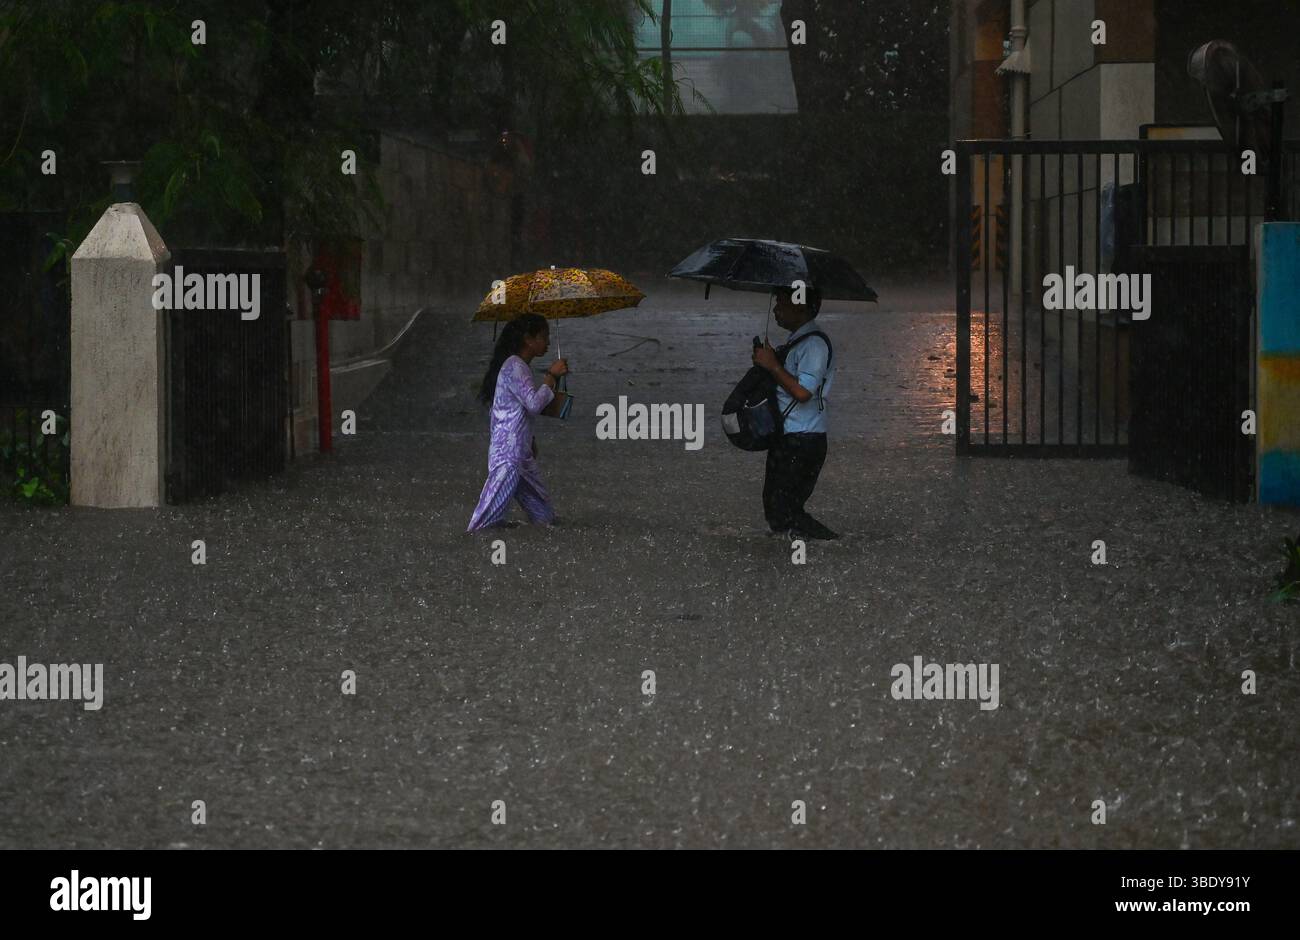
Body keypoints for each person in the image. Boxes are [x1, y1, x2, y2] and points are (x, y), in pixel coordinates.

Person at [751, 286, 838, 540]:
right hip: (788, 436)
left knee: (785, 509)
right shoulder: (797, 341)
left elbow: (803, 393)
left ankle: (830, 545)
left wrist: (773, 365)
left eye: (781, 303)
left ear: (800, 306)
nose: (776, 309)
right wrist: (766, 363)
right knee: (775, 507)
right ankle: (789, 554)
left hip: (804, 439)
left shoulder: (814, 345)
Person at [467, 314, 568, 531]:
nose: (548, 342)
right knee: (483, 524)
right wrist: (550, 377)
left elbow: (512, 410)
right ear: (528, 339)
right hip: (509, 457)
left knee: (545, 518)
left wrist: (529, 439)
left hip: (520, 454)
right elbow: (532, 404)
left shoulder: (519, 367)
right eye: (543, 336)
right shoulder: (514, 366)